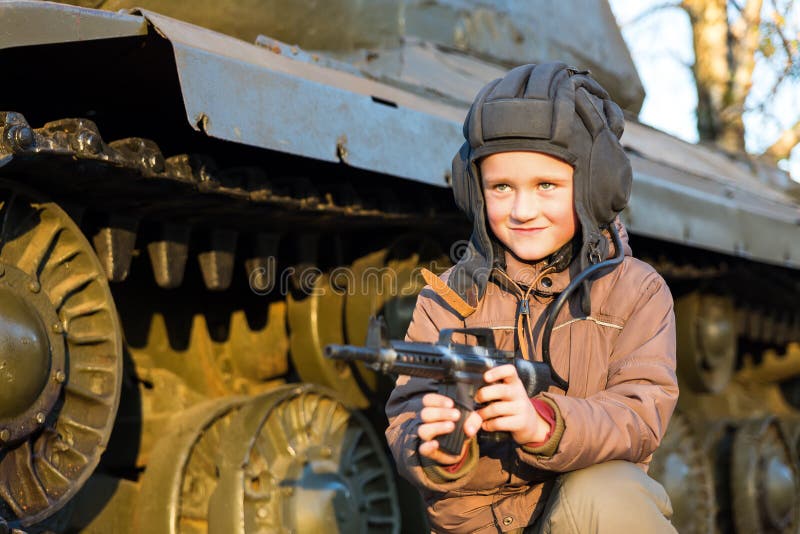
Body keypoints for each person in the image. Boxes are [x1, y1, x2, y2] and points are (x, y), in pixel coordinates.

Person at [385, 62, 679, 533]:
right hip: (478, 526)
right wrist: (438, 448)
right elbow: (406, 413)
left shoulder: (635, 291)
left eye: (547, 186)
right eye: (501, 187)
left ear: (595, 188)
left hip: (581, 519)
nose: (522, 210)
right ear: (475, 191)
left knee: (608, 491)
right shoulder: (447, 299)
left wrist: (543, 423)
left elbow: (638, 413)